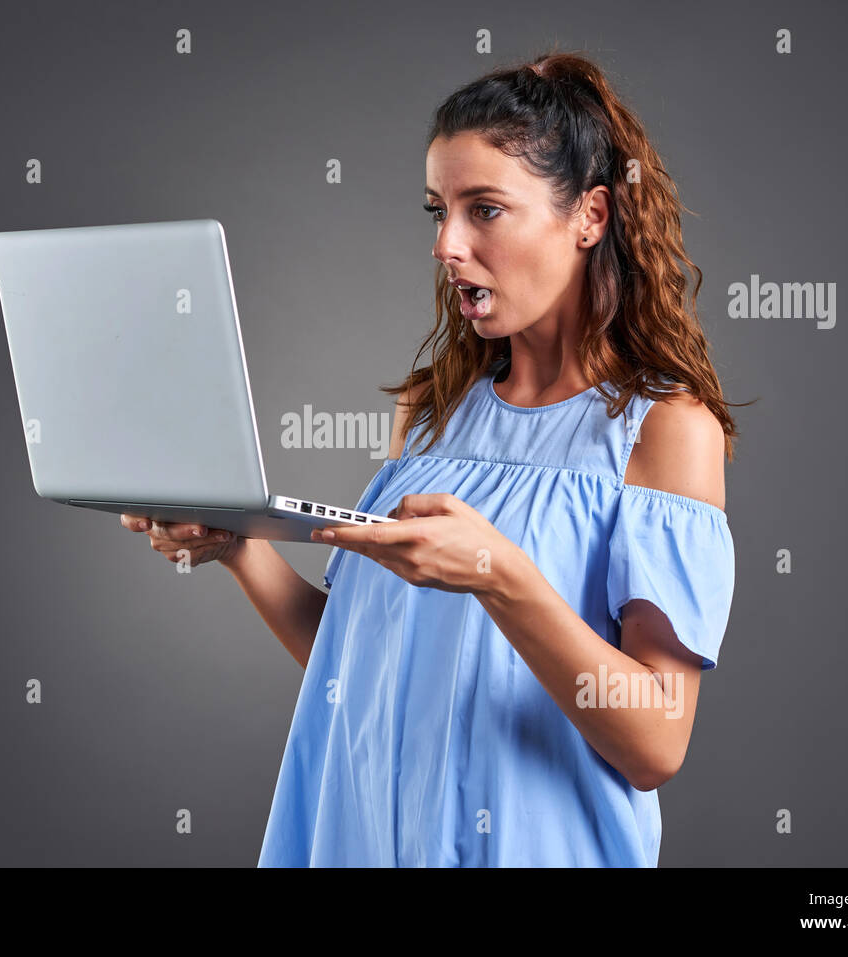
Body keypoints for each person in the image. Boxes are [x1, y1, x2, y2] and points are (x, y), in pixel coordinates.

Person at [122, 49, 745, 866]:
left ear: (590, 215)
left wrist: (498, 571)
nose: (446, 243)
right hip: (368, 832)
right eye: (437, 211)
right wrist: (239, 547)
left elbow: (657, 742)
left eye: (484, 209)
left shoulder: (662, 429)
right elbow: (367, 660)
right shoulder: (428, 414)